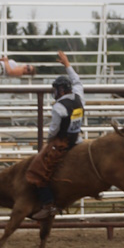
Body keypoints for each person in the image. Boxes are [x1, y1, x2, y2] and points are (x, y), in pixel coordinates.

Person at [27, 51, 84, 221]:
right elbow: (77, 81)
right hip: (78, 140)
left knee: (37, 170)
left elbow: (53, 130)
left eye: (56, 90)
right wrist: (67, 64)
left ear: (60, 90)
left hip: (63, 144)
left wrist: (48, 142)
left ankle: (47, 203)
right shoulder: (79, 96)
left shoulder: (58, 107)